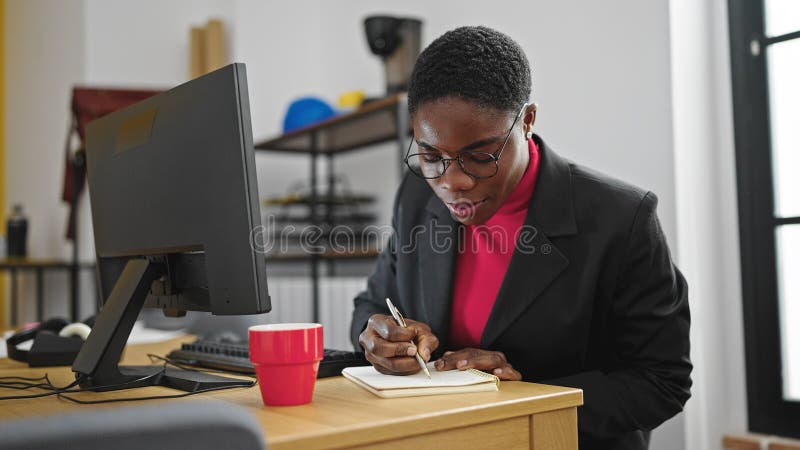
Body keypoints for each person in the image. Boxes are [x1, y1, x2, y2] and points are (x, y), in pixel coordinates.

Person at [350, 26, 691, 450]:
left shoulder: (621, 219)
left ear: (527, 121)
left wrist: (522, 399)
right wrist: (377, 337)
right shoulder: (416, 194)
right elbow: (372, 302)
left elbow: (661, 381)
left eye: (480, 156)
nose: (452, 181)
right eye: (431, 155)